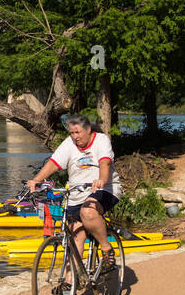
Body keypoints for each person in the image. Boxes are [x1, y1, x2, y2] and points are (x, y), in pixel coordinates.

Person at [26, 113, 123, 278]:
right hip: (76, 194)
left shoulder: (101, 140)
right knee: (75, 236)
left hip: (104, 190)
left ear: (88, 129)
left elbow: (105, 162)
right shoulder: (69, 144)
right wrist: (36, 180)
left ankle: (106, 249)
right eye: (72, 133)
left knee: (88, 212)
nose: (75, 137)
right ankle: (70, 282)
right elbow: (53, 163)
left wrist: (101, 180)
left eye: (78, 132)